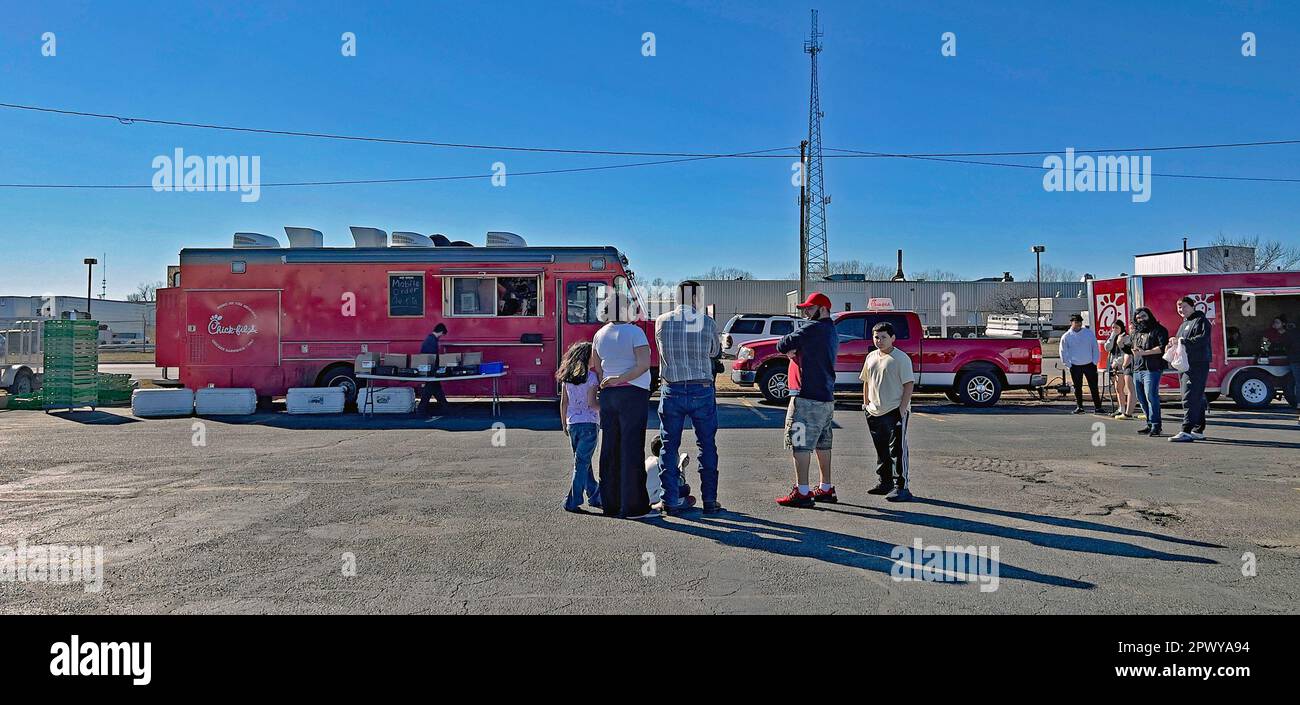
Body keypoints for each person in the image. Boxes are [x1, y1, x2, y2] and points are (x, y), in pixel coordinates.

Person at [652, 280, 723, 516]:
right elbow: (714, 352)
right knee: (706, 445)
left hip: (672, 389)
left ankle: (669, 500)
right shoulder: (708, 323)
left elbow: (661, 352)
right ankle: (710, 500)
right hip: (701, 388)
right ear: (696, 298)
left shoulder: (662, 321)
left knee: (669, 446)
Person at [592, 293, 656, 519]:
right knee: (631, 449)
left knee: (610, 448)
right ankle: (635, 507)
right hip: (633, 393)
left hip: (609, 394)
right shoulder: (635, 332)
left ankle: (610, 502)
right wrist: (621, 378)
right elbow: (643, 365)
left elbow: (597, 367)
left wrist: (611, 380)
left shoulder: (599, 334)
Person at [774, 292, 839, 508]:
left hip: (805, 397)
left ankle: (802, 491)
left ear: (823, 308)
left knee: (800, 443)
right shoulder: (831, 330)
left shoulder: (812, 329)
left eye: (810, 308)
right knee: (823, 443)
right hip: (825, 397)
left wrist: (792, 350)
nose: (806, 312)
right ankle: (826, 487)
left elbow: (782, 344)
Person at [861, 321, 916, 502]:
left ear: (892, 338)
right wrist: (866, 405)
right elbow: (866, 381)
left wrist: (902, 410)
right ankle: (884, 482)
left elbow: (908, 384)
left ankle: (901, 486)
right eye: (876, 337)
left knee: (897, 450)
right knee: (881, 449)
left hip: (894, 410)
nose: (879, 340)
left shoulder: (901, 358)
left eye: (883, 337)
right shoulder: (871, 357)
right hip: (874, 411)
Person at [558, 342, 602, 513]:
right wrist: (606, 406)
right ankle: (573, 500)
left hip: (572, 424)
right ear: (586, 357)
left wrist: (564, 423)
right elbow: (592, 404)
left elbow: (564, 403)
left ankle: (594, 494)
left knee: (583, 462)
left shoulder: (567, 378)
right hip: (589, 424)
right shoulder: (591, 379)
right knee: (582, 464)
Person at [1170, 296, 1212, 443]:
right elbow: (1180, 341)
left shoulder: (1201, 321)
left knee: (1189, 396)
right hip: (1185, 364)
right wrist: (1173, 343)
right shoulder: (1183, 324)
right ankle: (1198, 430)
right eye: (1179, 308)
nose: (1181, 310)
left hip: (1198, 364)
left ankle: (1186, 430)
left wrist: (1182, 341)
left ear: (1193, 306)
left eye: (1184, 307)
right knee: (1197, 396)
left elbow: (1203, 339)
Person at [1130, 307, 1169, 437]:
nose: (1141, 319)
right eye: (1138, 318)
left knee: (1151, 396)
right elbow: (1132, 348)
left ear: (1149, 316)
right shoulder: (1135, 333)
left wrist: (1145, 352)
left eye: (1143, 316)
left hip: (1152, 368)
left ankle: (1156, 425)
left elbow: (1162, 348)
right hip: (1137, 369)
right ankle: (1149, 423)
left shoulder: (1159, 330)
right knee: (1141, 399)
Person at [1059, 313, 1103, 414]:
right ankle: (1080, 407)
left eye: (1079, 322)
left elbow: (1095, 347)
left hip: (1089, 364)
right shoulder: (1066, 336)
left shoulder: (1088, 333)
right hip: (1075, 366)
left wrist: (1094, 362)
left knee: (1094, 387)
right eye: (1076, 322)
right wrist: (1068, 365)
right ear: (1071, 323)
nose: (1078, 324)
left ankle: (1098, 407)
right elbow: (1063, 352)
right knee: (1077, 388)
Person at [645, 435, 694, 507]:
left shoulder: (649, 460)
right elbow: (678, 483)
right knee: (686, 491)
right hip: (655, 496)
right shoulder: (664, 464)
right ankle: (663, 504)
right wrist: (682, 467)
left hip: (644, 495)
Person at [1106, 320, 1137, 419]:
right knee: (1118, 389)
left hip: (1122, 365)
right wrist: (1112, 336)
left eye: (1116, 328)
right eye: (1113, 328)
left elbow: (1126, 352)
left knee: (1123, 387)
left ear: (1121, 328)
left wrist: (1118, 362)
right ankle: (1121, 408)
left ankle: (1126, 409)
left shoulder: (1126, 337)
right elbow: (1107, 348)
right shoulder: (1113, 337)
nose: (1114, 330)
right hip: (1114, 365)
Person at [417, 323, 449, 416]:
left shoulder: (429, 340)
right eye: (442, 334)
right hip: (431, 370)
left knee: (435, 389)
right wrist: (436, 369)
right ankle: (421, 410)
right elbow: (432, 357)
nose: (441, 337)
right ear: (441, 332)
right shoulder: (432, 341)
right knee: (430, 389)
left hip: (429, 369)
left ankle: (445, 408)